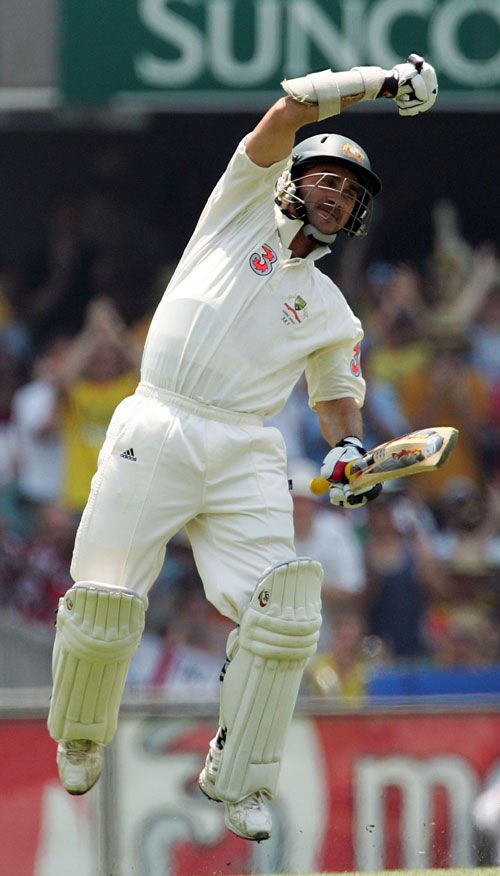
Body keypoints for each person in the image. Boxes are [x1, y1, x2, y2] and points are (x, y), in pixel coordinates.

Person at [46, 53, 438, 842]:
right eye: (327, 180)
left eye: (350, 194)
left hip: (245, 451)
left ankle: (244, 774)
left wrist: (347, 453)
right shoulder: (238, 206)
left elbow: (337, 398)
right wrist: (383, 82)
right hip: (158, 420)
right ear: (296, 180)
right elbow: (289, 109)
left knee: (287, 609)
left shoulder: (332, 310)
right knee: (106, 595)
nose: (335, 196)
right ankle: (82, 731)